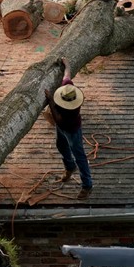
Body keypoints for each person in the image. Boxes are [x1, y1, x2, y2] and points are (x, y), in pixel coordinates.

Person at [44, 59, 93, 199]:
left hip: (72, 130)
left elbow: (58, 119)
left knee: (80, 156)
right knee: (61, 146)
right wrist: (66, 64)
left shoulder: (71, 110)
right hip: (61, 128)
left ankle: (87, 185)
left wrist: (50, 100)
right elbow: (67, 75)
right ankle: (70, 167)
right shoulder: (68, 87)